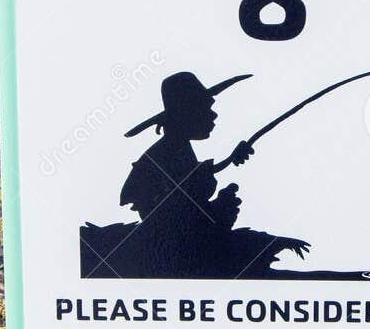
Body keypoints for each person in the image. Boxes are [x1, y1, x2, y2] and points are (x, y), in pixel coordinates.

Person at [80, 71, 309, 279]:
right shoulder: (165, 153)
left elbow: (192, 180)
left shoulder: (177, 148)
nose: (213, 114)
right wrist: (218, 206)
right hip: (171, 244)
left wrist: (229, 160)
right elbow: (177, 202)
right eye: (205, 107)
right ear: (185, 113)